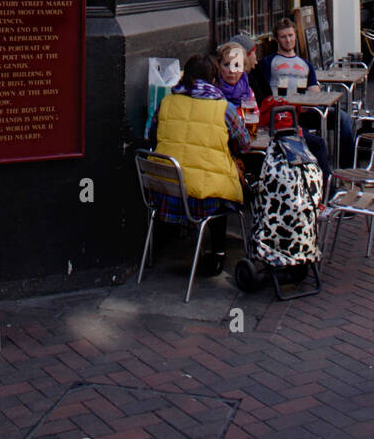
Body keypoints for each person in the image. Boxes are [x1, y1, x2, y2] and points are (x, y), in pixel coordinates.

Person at [151, 54, 250, 276]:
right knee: (222, 188)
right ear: (213, 79)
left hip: (165, 193)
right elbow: (244, 144)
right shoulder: (223, 108)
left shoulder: (166, 102)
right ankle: (218, 254)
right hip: (202, 200)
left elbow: (152, 134)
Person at [253, 17, 352, 177]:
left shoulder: (306, 64)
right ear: (277, 39)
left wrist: (309, 101)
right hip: (282, 114)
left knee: (344, 118)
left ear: (296, 36)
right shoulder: (268, 62)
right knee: (310, 139)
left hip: (305, 112)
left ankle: (346, 172)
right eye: (284, 36)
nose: (288, 40)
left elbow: (314, 92)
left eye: (291, 35)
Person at [215, 40, 259, 126]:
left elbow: (255, 117)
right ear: (219, 66)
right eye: (227, 64)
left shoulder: (247, 90)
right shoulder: (213, 92)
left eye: (236, 65)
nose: (232, 70)